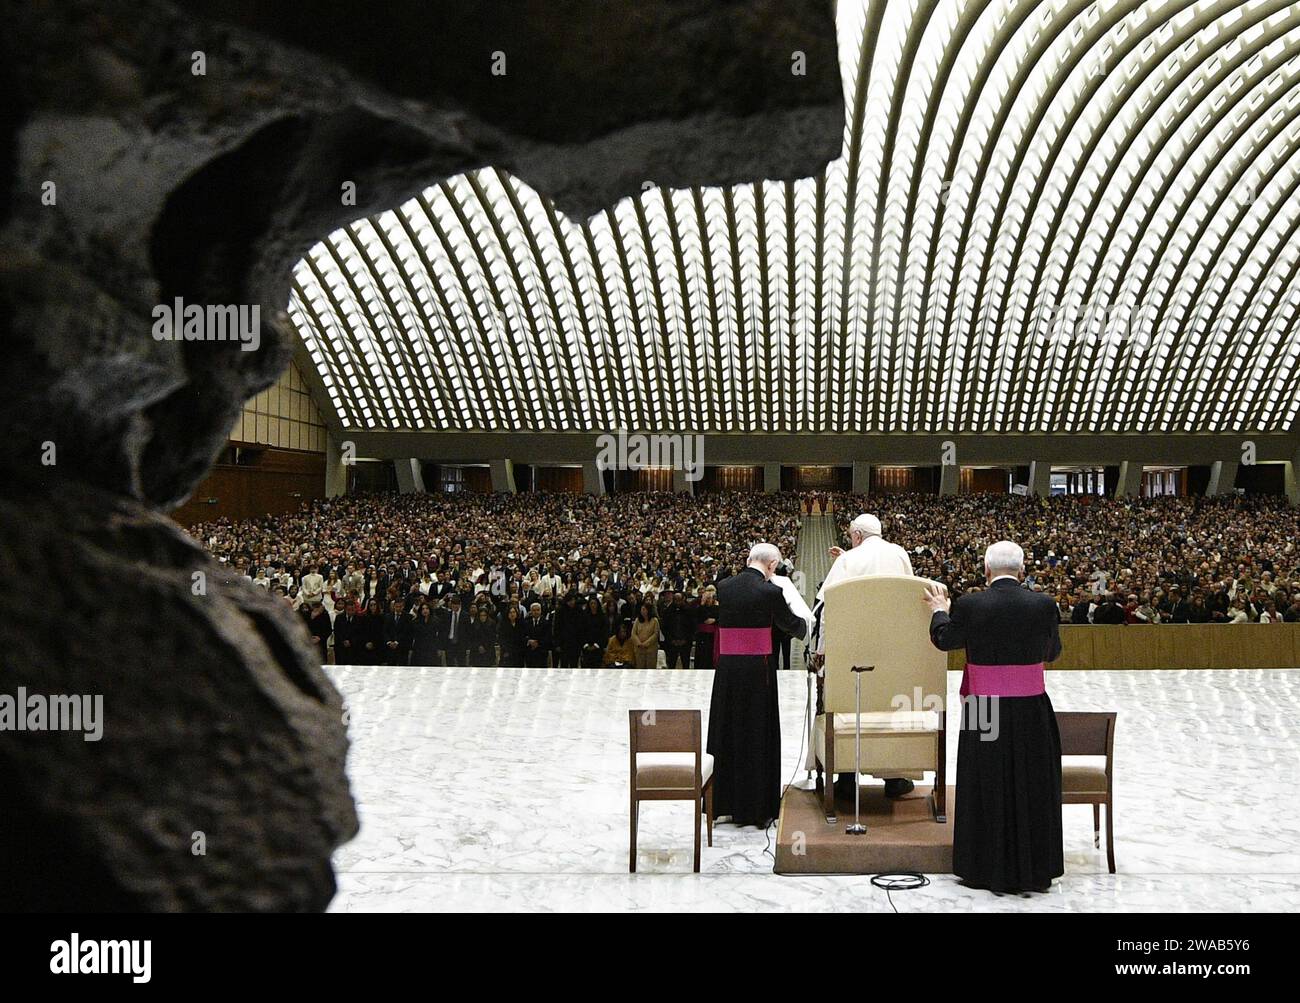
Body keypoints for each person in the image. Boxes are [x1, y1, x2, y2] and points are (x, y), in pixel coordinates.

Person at [924, 540, 1064, 894]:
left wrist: (940, 609)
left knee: (982, 779)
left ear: (986, 571)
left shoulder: (970, 604)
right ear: (1022, 569)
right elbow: (1053, 651)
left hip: (982, 707)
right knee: (1030, 782)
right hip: (1031, 707)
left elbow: (944, 640)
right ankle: (1033, 866)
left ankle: (982, 866)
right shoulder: (1044, 604)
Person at [813, 513, 915, 801]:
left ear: (857, 535)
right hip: (893, 650)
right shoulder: (899, 554)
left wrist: (822, 649)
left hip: (853, 650)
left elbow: (828, 606)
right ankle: (894, 778)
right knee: (887, 711)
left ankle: (846, 778)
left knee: (850, 710)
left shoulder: (848, 560)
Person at [706, 542, 809, 828]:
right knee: (756, 731)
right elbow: (791, 625)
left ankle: (723, 802)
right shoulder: (771, 591)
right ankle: (756, 806)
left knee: (727, 727)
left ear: (748, 558)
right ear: (773, 565)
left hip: (727, 670)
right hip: (757, 671)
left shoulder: (724, 587)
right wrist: (809, 627)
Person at [631, 602, 660, 670]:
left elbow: (655, 634)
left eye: (644, 609)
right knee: (640, 668)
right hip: (639, 649)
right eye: (641, 609)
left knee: (650, 669)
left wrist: (646, 643)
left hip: (651, 649)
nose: (642, 611)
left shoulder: (655, 621)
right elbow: (633, 633)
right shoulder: (637, 620)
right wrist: (639, 643)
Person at [522, 602, 551, 668]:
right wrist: (529, 641)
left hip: (541, 652)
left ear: (540, 611)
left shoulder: (546, 623)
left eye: (538, 610)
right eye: (534, 610)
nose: (536, 612)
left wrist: (537, 643)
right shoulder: (526, 622)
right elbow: (523, 635)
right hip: (529, 652)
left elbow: (547, 637)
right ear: (531, 611)